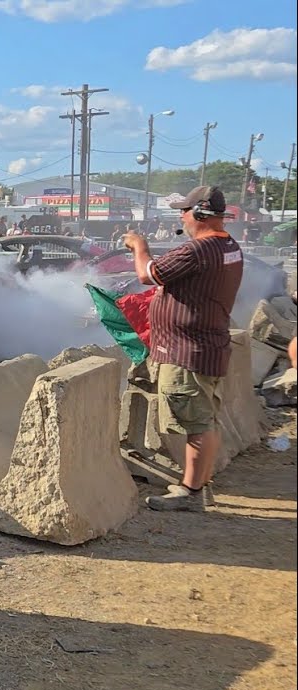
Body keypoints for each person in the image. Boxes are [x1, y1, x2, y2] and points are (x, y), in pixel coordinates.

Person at [124, 186, 243, 512]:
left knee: (196, 424)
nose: (181, 217)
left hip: (186, 353)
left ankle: (191, 492)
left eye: (184, 211)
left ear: (200, 214)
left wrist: (139, 245)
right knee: (205, 421)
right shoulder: (229, 246)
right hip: (207, 346)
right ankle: (198, 485)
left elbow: (148, 273)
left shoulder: (198, 250)